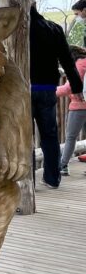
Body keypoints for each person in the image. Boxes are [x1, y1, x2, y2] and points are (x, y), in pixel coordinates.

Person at [29, 3, 84, 189]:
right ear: (35, 5)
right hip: (47, 89)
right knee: (50, 135)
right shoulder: (53, 29)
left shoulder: (16, 28)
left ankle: (28, 180)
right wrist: (77, 86)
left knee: (23, 137)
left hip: (22, 91)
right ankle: (52, 178)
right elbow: (67, 60)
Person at [57, 44, 86, 175]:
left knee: (70, 137)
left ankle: (62, 165)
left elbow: (69, 88)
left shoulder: (79, 64)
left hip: (79, 106)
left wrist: (49, 90)